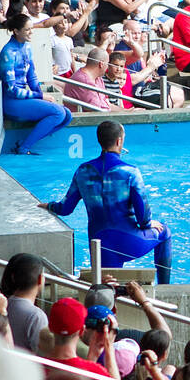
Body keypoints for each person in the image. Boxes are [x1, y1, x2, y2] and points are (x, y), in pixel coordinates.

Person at [40, 120, 173, 282]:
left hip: (99, 247)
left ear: (99, 141)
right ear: (119, 141)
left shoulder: (83, 171)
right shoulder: (130, 172)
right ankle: (165, 286)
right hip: (128, 242)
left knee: (110, 288)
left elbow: (66, 208)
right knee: (165, 232)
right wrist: (149, 223)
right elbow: (143, 218)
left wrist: (49, 206)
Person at [0, 12, 72, 154]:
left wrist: (39, 92)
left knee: (67, 115)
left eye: (32, 28)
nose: (32, 32)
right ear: (16, 31)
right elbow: (11, 90)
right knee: (58, 113)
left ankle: (24, 143)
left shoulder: (26, 47)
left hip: (24, 98)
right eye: (27, 30)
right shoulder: (8, 53)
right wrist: (40, 96)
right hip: (11, 102)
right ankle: (24, 147)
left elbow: (31, 76)